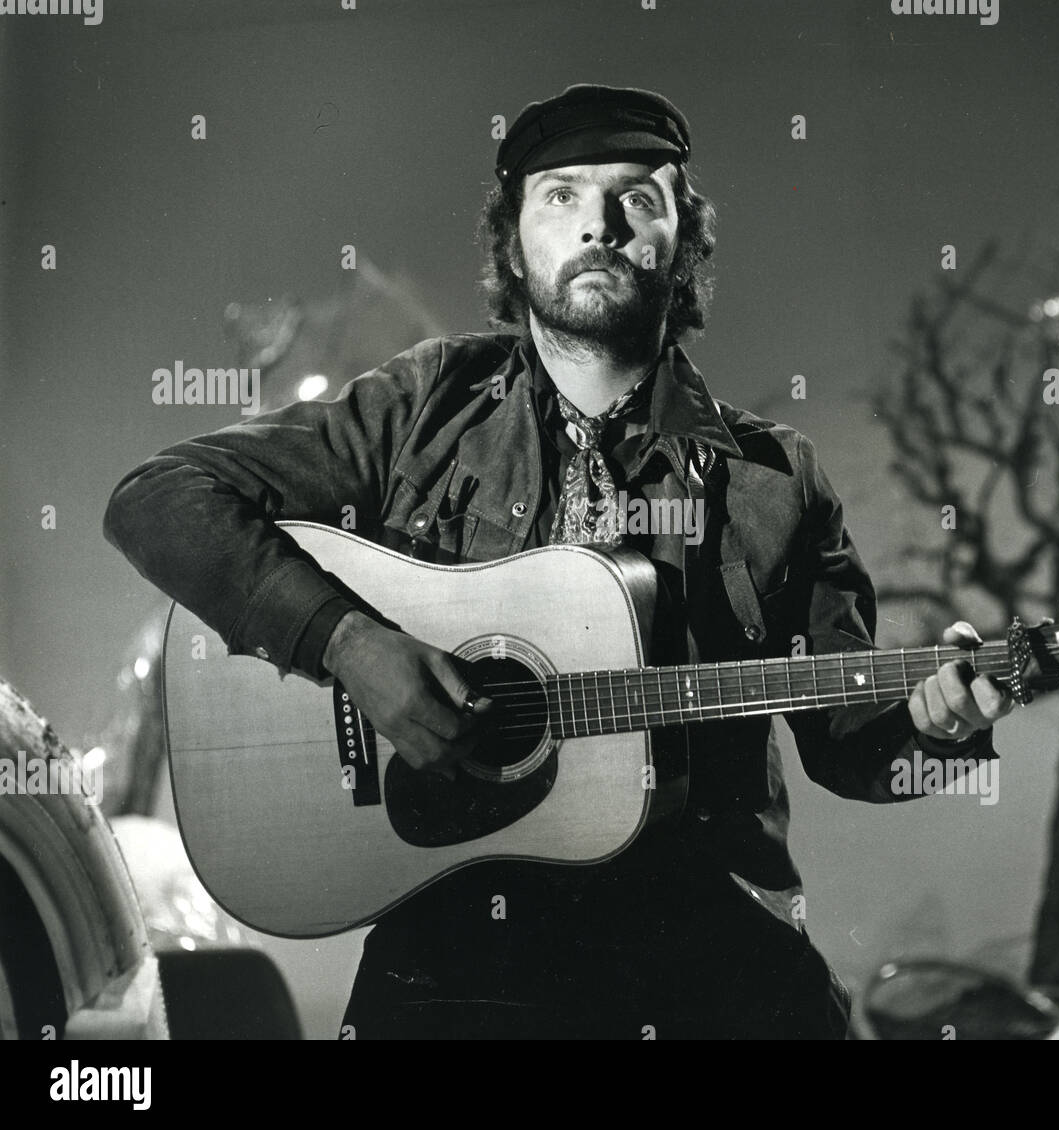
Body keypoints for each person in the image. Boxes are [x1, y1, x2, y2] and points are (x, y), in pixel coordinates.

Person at [104, 84, 1013, 1039]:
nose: (601, 225)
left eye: (639, 198)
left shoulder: (773, 479)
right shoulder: (425, 407)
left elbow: (850, 746)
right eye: (563, 196)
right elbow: (157, 501)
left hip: (707, 947)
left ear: (684, 244)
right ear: (513, 243)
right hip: (460, 946)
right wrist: (348, 644)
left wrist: (939, 729)